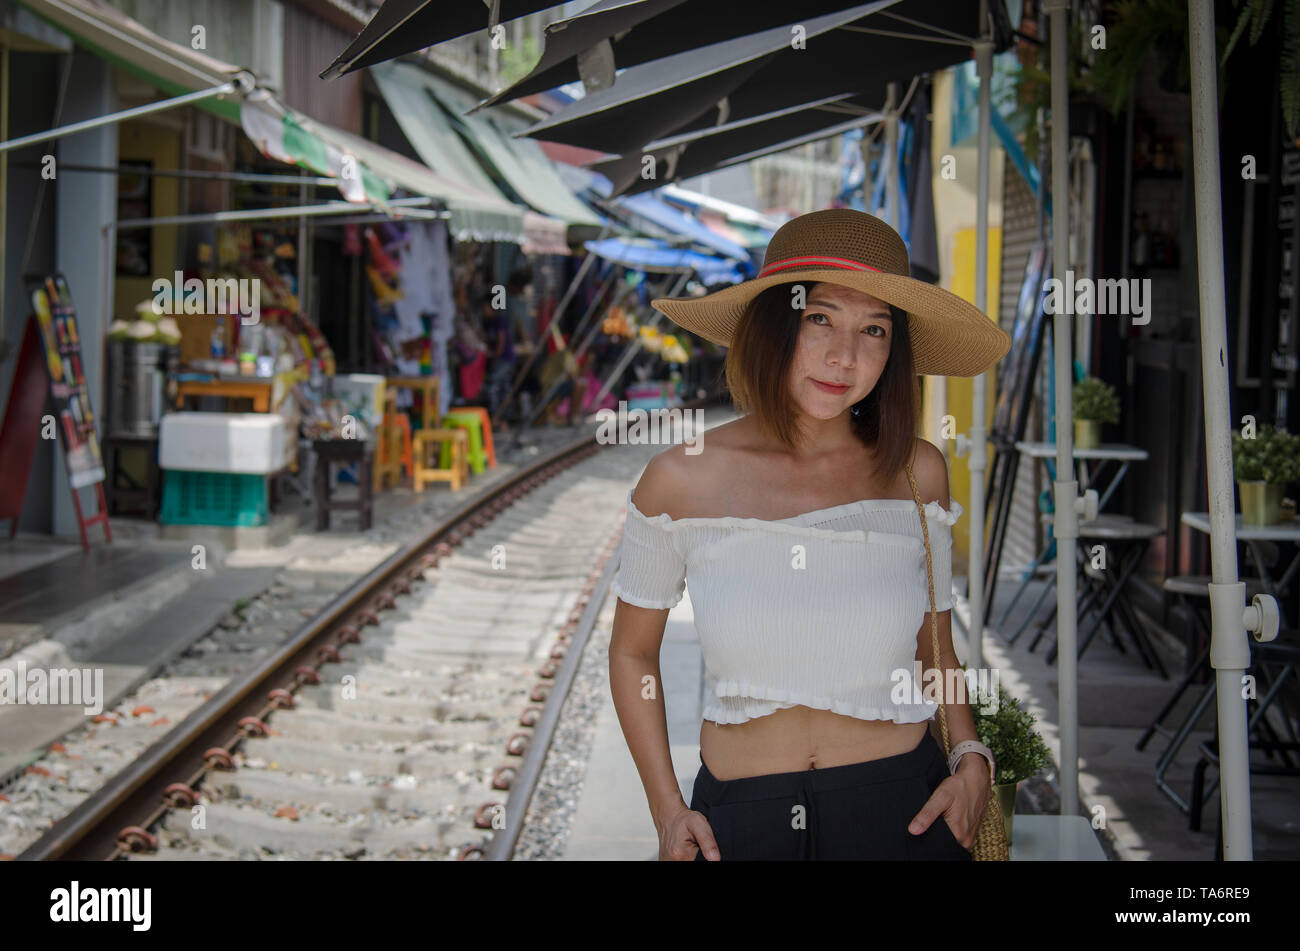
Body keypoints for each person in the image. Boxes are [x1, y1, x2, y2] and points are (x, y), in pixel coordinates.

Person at [608, 208, 1012, 861]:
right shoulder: (678, 480)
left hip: (904, 813)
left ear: (895, 350)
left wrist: (970, 757)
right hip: (739, 825)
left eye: (873, 329)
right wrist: (665, 808)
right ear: (773, 324)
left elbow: (935, 648)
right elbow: (632, 654)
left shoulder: (918, 472)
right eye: (818, 317)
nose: (843, 355)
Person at [479, 292, 516, 418]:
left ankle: (497, 418)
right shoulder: (488, 322)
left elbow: (501, 342)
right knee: (502, 388)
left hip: (505, 359)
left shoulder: (499, 321)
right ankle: (502, 419)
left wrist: (494, 358)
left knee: (493, 387)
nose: (483, 311)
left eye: (485, 308)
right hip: (499, 359)